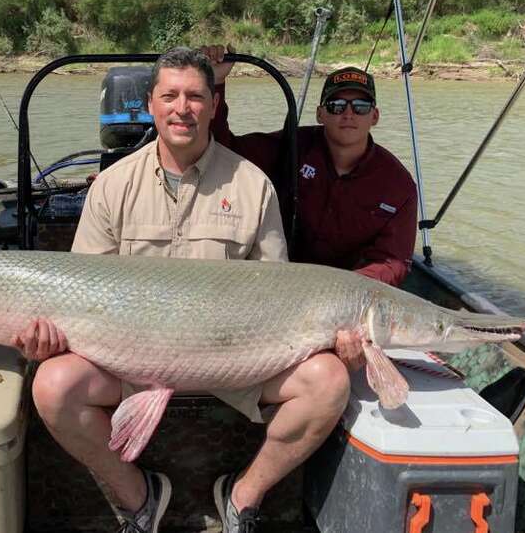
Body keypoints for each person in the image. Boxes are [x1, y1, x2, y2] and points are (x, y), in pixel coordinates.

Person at [27, 47, 351, 533]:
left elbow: (277, 293)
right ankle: (138, 497)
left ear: (214, 105)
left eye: (196, 96)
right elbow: (84, 291)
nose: (183, 108)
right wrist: (49, 337)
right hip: (130, 362)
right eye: (170, 96)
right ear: (151, 104)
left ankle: (243, 497)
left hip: (235, 365)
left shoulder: (253, 185)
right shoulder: (111, 186)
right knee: (51, 384)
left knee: (329, 381)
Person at [207, 46, 417, 288]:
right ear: (320, 114)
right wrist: (217, 81)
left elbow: (394, 262)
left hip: (348, 291)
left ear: (375, 116)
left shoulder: (399, 186)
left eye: (360, 106)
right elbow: (226, 151)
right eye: (336, 106)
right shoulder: (291, 146)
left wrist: (340, 287)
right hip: (275, 275)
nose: (348, 114)